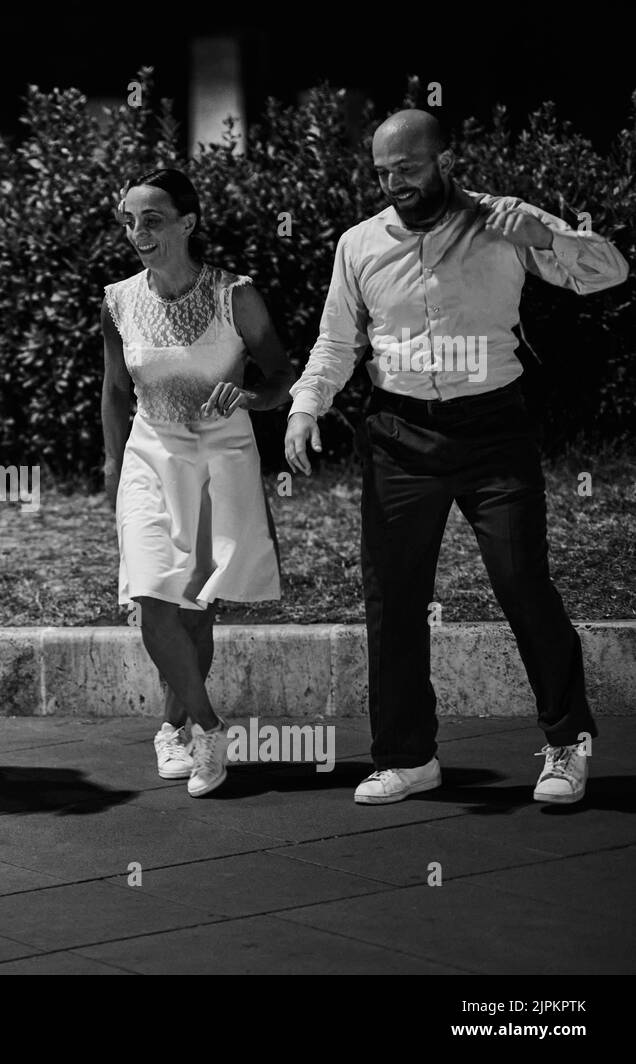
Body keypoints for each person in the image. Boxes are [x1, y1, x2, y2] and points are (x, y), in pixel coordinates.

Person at [284, 110, 628, 805]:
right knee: (394, 598)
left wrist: (550, 235)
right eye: (382, 173)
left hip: (493, 430)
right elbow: (337, 341)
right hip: (399, 437)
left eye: (407, 169)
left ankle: (565, 745)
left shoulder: (504, 220)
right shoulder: (359, 244)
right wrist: (304, 407)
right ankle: (408, 757)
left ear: (446, 160)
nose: (395, 184)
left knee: (521, 582)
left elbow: (607, 273)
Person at [103, 168, 293, 797]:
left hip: (220, 456)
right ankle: (209, 729)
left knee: (196, 609)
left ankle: (172, 725)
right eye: (129, 221)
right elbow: (113, 391)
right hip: (149, 453)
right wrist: (111, 468)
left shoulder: (235, 294)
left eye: (152, 219)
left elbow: (281, 376)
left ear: (188, 223)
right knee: (151, 595)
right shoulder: (118, 299)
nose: (138, 233)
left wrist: (252, 395)